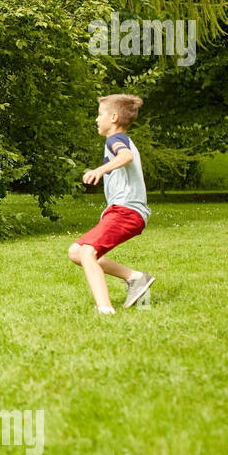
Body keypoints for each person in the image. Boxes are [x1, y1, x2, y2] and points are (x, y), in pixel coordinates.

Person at [66, 93, 155, 314]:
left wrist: (99, 169)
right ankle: (135, 278)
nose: (97, 119)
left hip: (126, 210)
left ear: (113, 117)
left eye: (100, 114)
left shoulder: (116, 140)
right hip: (122, 210)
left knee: (87, 253)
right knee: (76, 252)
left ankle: (105, 309)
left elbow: (125, 157)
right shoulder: (118, 140)